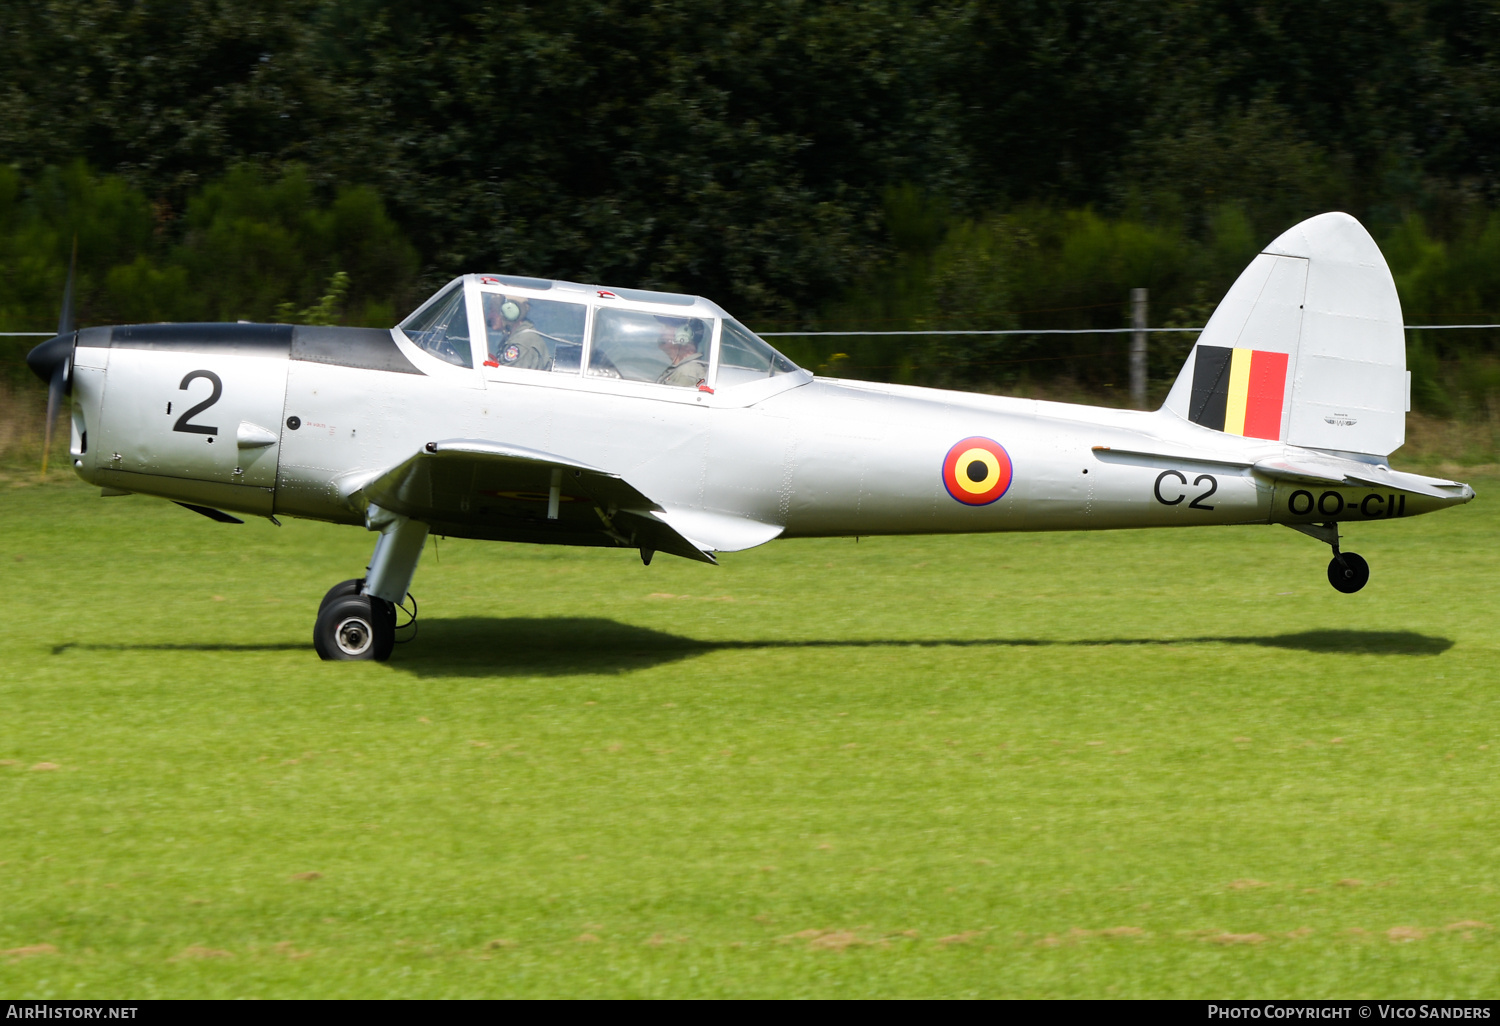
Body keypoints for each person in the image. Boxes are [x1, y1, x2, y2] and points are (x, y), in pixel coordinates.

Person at [485, 294, 550, 370]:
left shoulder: (521, 344)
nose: (489, 316)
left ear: (509, 311)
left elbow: (506, 378)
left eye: (493, 311)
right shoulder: (515, 337)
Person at [656, 318, 709, 387]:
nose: (660, 331)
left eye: (666, 327)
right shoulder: (683, 368)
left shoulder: (686, 374)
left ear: (683, 336)